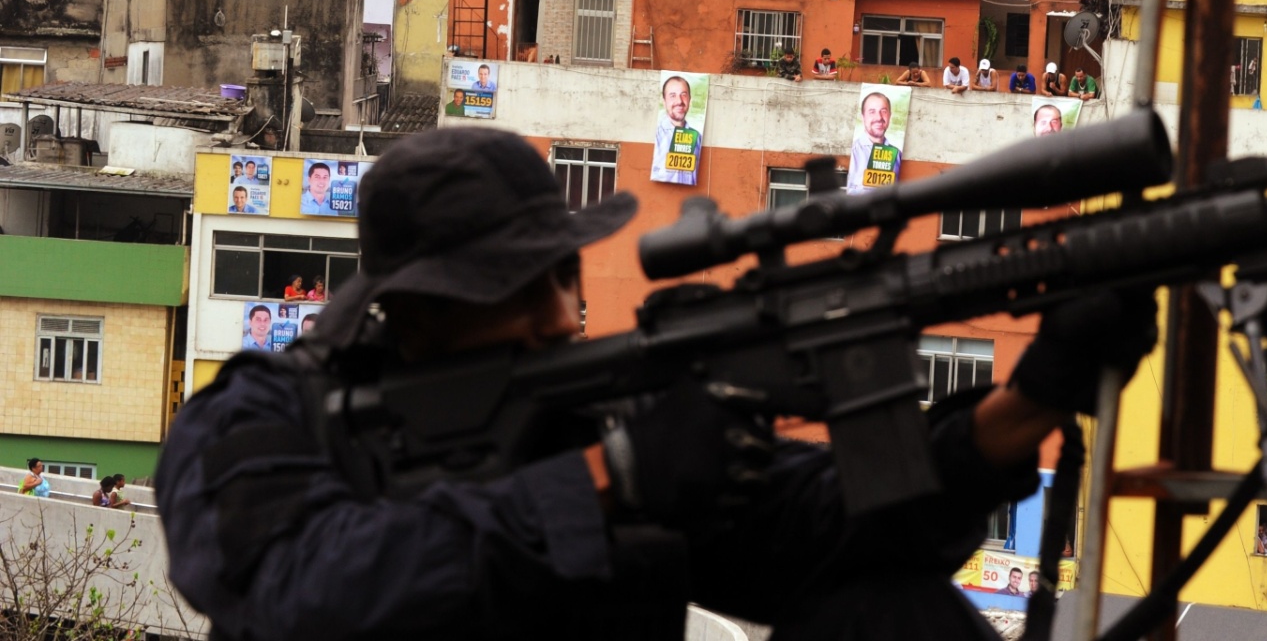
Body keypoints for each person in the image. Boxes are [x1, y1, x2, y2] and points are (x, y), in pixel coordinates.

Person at [156, 127, 1155, 641]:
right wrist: (604, 481)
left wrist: (1019, 409)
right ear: (415, 310)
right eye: (515, 288)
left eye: (562, 274)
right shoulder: (260, 414)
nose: (560, 313)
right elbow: (302, 596)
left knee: (882, 609)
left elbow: (812, 530)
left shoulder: (585, 407)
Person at [652, 75, 700, 185]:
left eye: (684, 95)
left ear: (689, 100)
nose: (679, 101)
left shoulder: (697, 137)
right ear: (664, 102)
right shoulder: (656, 135)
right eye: (672, 96)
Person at [848, 91, 898, 193]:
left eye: (883, 111)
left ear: (890, 115)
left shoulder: (897, 154)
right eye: (872, 112)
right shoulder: (853, 151)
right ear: (863, 117)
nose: (879, 117)